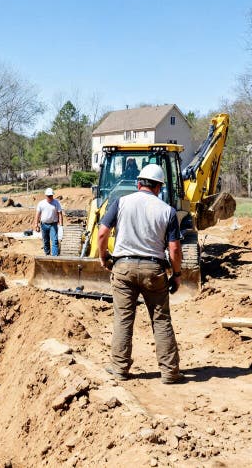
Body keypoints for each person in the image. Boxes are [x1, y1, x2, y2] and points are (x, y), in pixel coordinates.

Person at [97, 163, 183, 384]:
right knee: (161, 319)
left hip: (123, 268)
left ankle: (119, 369)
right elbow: (174, 249)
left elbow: (102, 232)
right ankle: (169, 372)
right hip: (154, 270)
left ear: (138, 184)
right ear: (159, 187)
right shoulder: (167, 211)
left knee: (123, 319)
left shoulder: (121, 202)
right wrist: (177, 274)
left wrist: (103, 256)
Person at [34, 188, 63, 256]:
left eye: (51, 196)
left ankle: (54, 256)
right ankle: (47, 254)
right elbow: (37, 215)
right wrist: (36, 225)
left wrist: (61, 225)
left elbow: (60, 214)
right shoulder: (41, 203)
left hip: (53, 224)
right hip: (44, 225)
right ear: (46, 196)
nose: (50, 197)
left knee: (55, 240)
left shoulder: (56, 203)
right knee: (46, 241)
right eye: (48, 196)